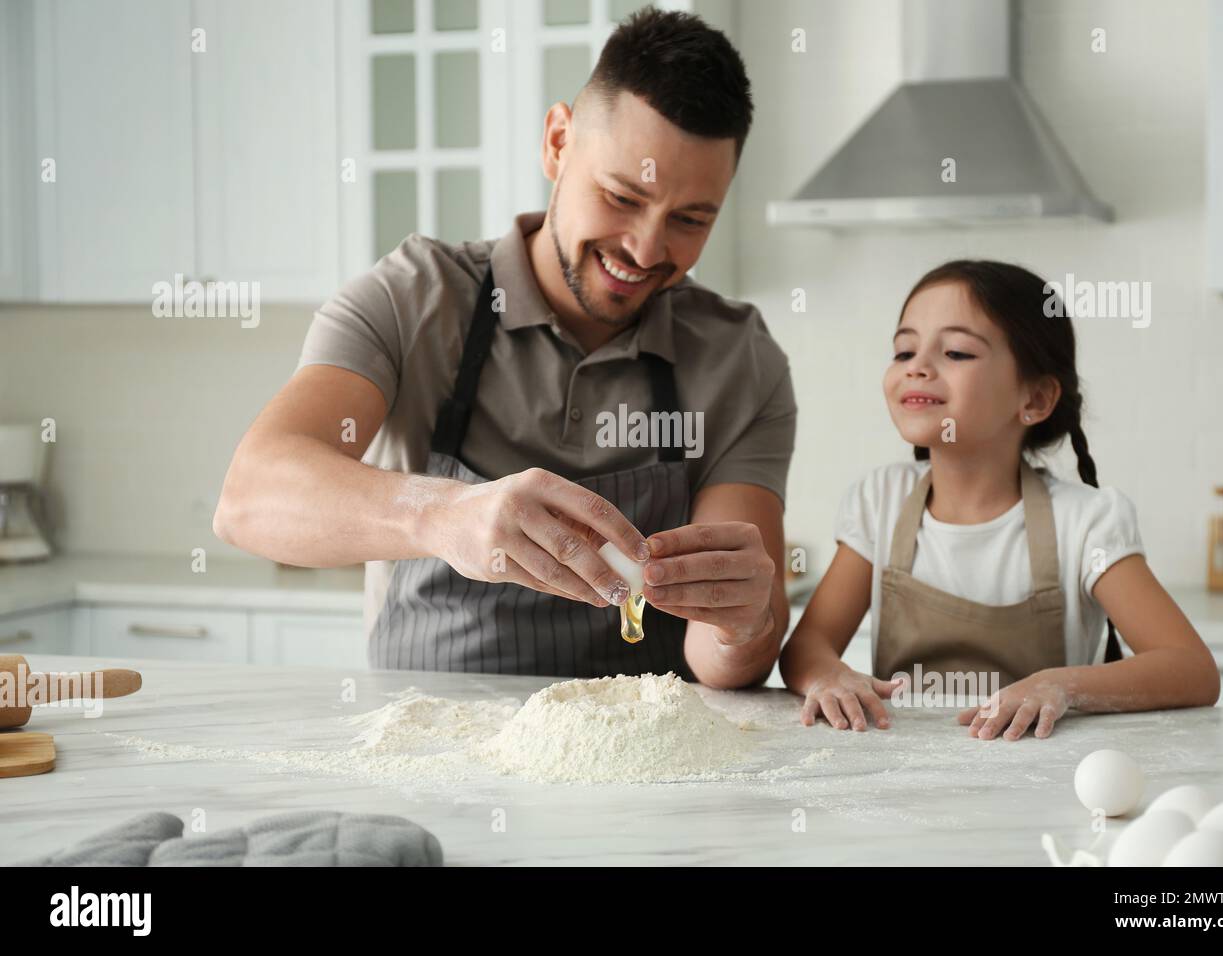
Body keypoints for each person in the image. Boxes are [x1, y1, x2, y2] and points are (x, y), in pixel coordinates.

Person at [213, 9, 796, 687]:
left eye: (690, 220)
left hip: (643, 771)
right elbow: (249, 499)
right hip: (429, 756)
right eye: (621, 197)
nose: (645, 249)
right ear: (556, 142)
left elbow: (723, 664)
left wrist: (747, 622)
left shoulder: (738, 359)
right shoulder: (413, 299)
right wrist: (438, 515)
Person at [779, 260, 1219, 738]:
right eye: (904, 351)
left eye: (957, 352)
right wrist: (829, 675)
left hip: (1042, 785)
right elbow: (809, 645)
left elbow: (1191, 668)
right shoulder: (880, 501)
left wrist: (1061, 686)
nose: (918, 367)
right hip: (903, 782)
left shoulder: (1087, 522)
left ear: (1034, 399)